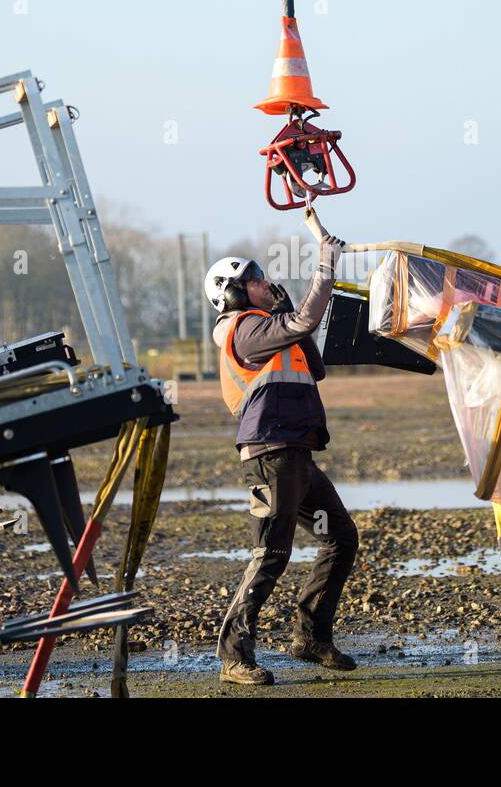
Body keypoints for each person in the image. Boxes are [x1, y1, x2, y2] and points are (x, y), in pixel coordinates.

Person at [204, 235, 359, 686]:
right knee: (271, 552)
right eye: (252, 278)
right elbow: (307, 317)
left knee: (341, 538)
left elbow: (315, 366)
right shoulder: (245, 330)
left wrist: (289, 316)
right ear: (232, 293)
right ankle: (233, 655)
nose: (262, 280)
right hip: (271, 455)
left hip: (297, 454)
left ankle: (310, 637)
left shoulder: (268, 327)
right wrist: (325, 265)